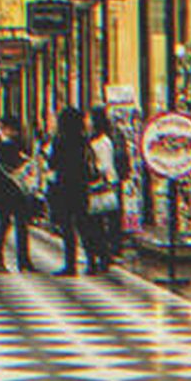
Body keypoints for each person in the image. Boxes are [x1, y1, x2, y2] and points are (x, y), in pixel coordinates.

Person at [0, 116, 35, 273]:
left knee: (22, 225)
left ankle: (24, 261)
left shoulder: (17, 142)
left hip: (18, 188)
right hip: (2, 189)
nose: (14, 134)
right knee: (3, 223)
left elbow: (24, 155)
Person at [48, 107, 88, 276]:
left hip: (64, 186)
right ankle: (93, 260)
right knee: (83, 224)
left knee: (67, 226)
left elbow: (53, 163)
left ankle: (70, 264)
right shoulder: (83, 139)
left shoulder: (60, 140)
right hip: (81, 186)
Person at [86, 107, 121, 274]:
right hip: (96, 185)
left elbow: (106, 165)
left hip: (101, 185)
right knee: (95, 225)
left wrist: (95, 171)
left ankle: (103, 257)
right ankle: (100, 256)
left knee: (96, 224)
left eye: (90, 118)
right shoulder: (94, 140)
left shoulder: (103, 141)